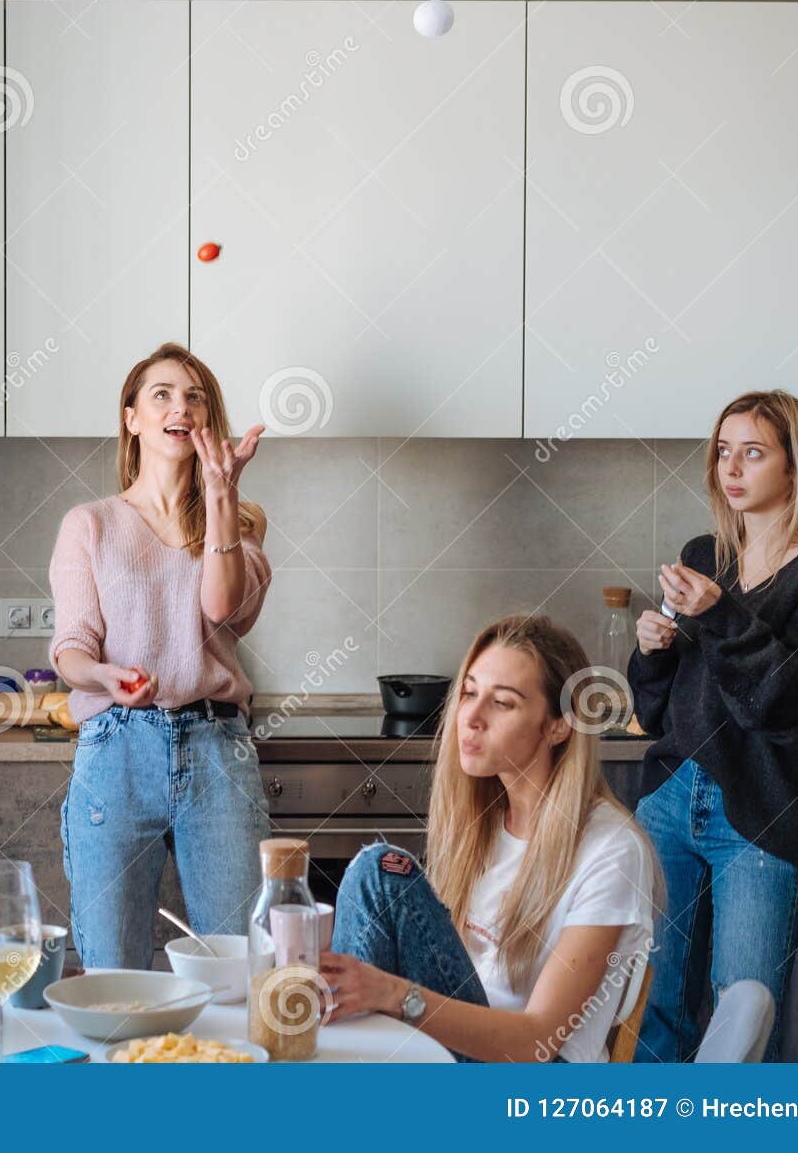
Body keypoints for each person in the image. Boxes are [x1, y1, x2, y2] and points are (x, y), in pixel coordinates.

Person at [322, 615, 659, 1063]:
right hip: (451, 1055)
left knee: (379, 871)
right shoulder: (482, 824)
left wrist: (393, 994)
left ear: (559, 726)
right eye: (468, 693)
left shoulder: (612, 850)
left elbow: (536, 1044)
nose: (472, 717)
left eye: (502, 702)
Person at [629, 390, 798, 1062]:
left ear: (795, 464)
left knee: (744, 1011)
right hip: (670, 797)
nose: (731, 467)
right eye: (724, 451)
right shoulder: (705, 553)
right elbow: (653, 708)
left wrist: (720, 615)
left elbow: (791, 701)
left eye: (753, 452)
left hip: (763, 811)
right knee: (647, 1003)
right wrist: (651, 651)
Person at [48, 342, 272, 969]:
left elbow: (223, 609)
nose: (181, 407)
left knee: (240, 969)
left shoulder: (242, 521)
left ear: (209, 420)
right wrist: (103, 676)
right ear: (132, 418)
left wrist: (222, 496)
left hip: (217, 749)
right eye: (163, 395)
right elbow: (71, 649)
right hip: (115, 752)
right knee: (112, 972)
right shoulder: (90, 524)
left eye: (195, 397)